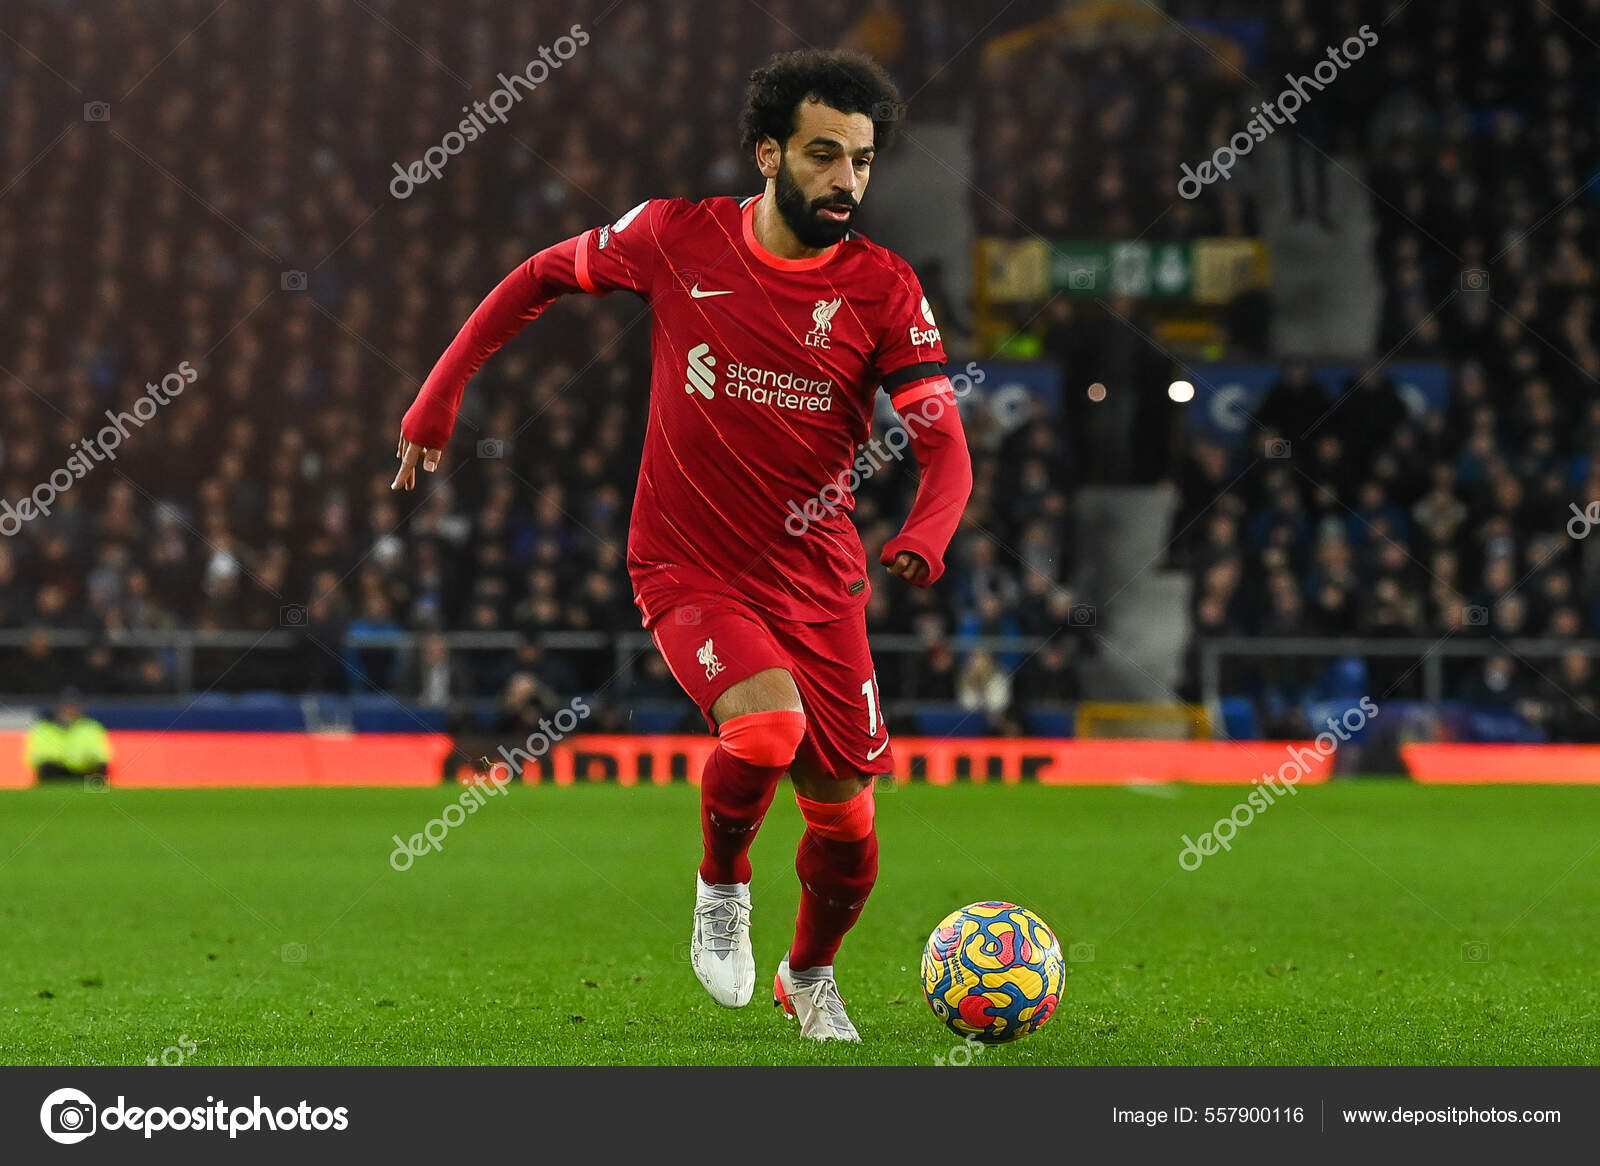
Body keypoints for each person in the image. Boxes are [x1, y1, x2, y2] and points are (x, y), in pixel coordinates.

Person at [391, 50, 972, 1042]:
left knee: (848, 826)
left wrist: (927, 529)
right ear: (768, 154)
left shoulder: (882, 287)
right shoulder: (674, 236)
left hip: (819, 582)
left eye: (863, 160)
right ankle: (721, 885)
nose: (847, 180)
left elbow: (943, 443)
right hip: (688, 563)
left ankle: (809, 973)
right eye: (824, 155)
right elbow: (538, 276)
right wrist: (437, 397)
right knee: (765, 731)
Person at [26, 689, 112, 785]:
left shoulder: (91, 727)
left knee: (99, 771)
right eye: (65, 707)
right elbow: (38, 758)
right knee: (47, 769)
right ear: (57, 708)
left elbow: (102, 757)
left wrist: (76, 762)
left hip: (84, 772)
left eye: (73, 707)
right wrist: (72, 761)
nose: (69, 711)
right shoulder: (44, 728)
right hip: (55, 774)